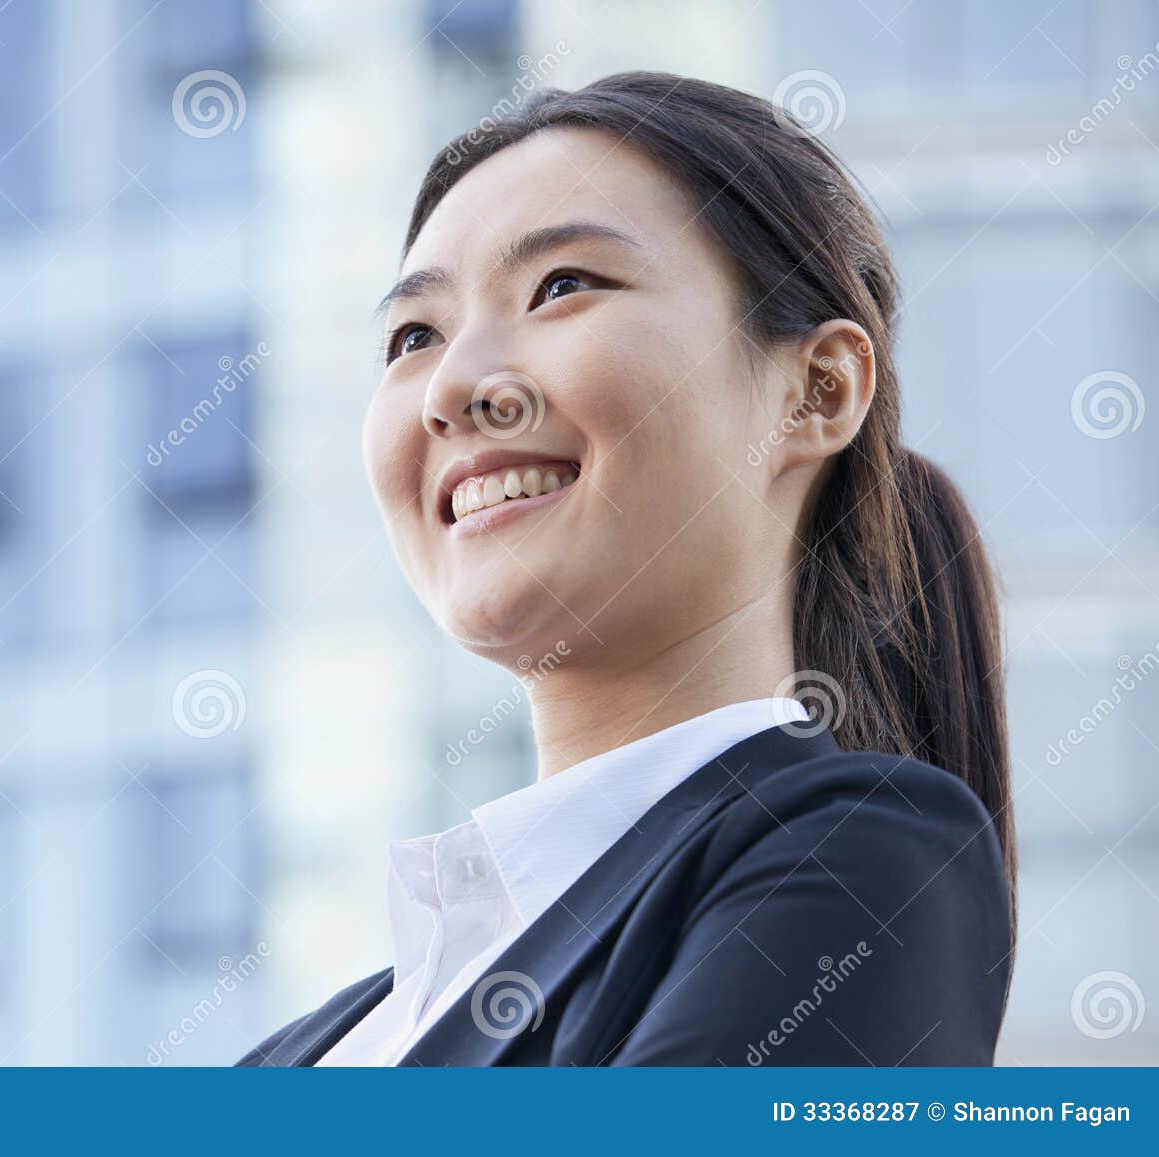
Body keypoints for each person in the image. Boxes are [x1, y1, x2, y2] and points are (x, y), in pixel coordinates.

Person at [239, 71, 1014, 1067]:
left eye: (563, 286)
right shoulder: (301, 1051)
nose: (453, 387)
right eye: (412, 336)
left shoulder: (861, 857)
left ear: (817, 389)